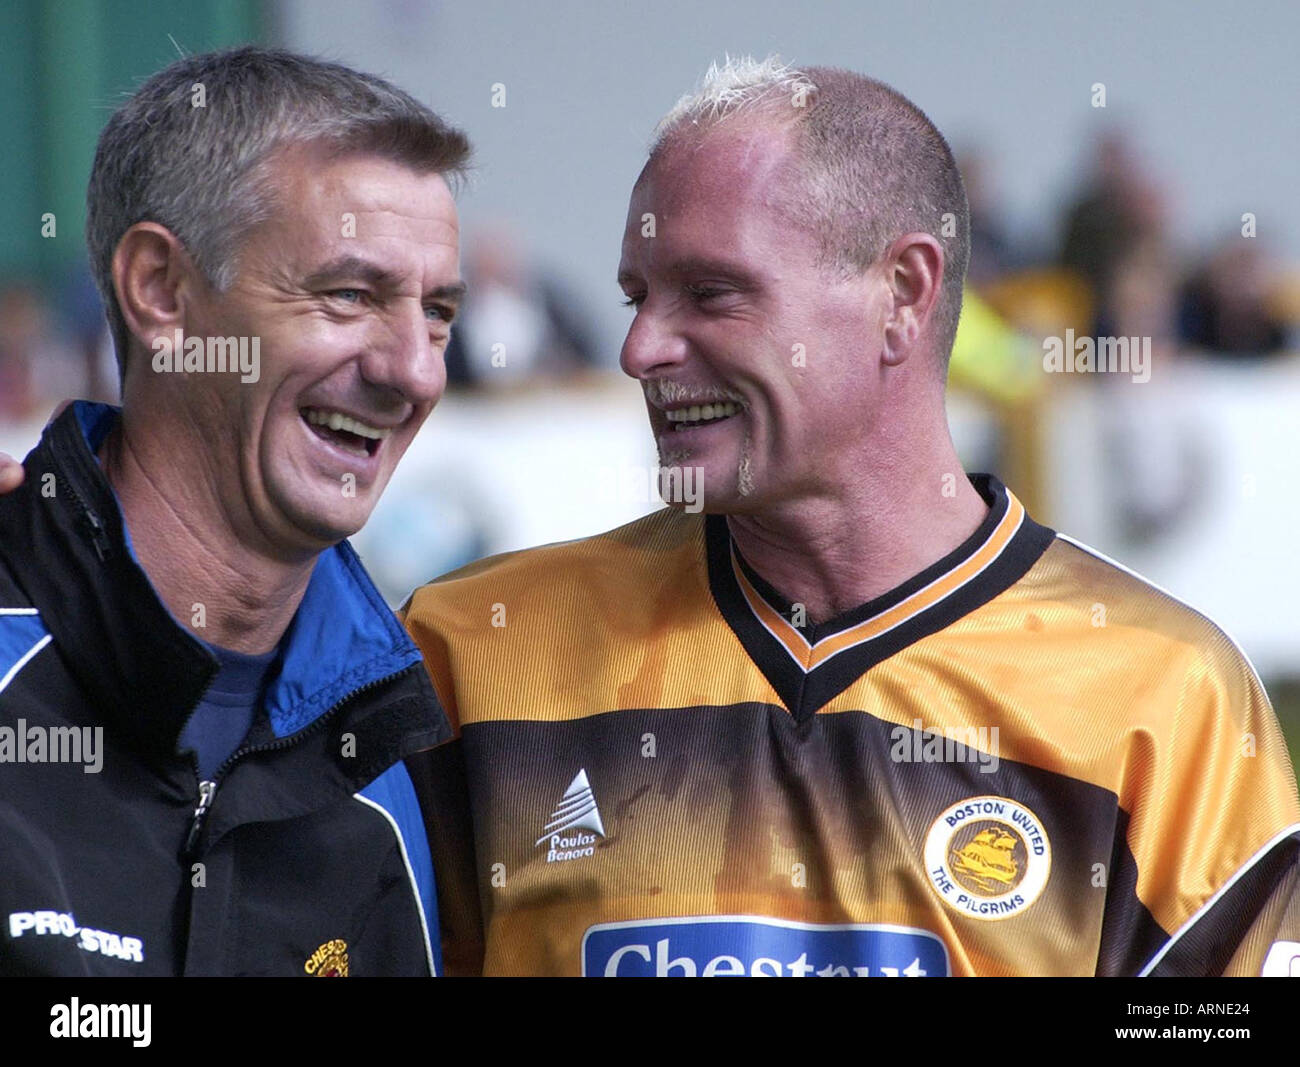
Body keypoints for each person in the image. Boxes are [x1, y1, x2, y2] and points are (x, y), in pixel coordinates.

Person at [401, 58, 1300, 977]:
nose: (640, 349)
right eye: (638, 298)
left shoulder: (1167, 694)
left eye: (712, 292)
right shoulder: (473, 653)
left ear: (903, 294)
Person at [0, 46, 467, 976]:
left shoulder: (409, 747)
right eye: (349, 294)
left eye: (440, 314)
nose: (414, 371)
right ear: (162, 294)